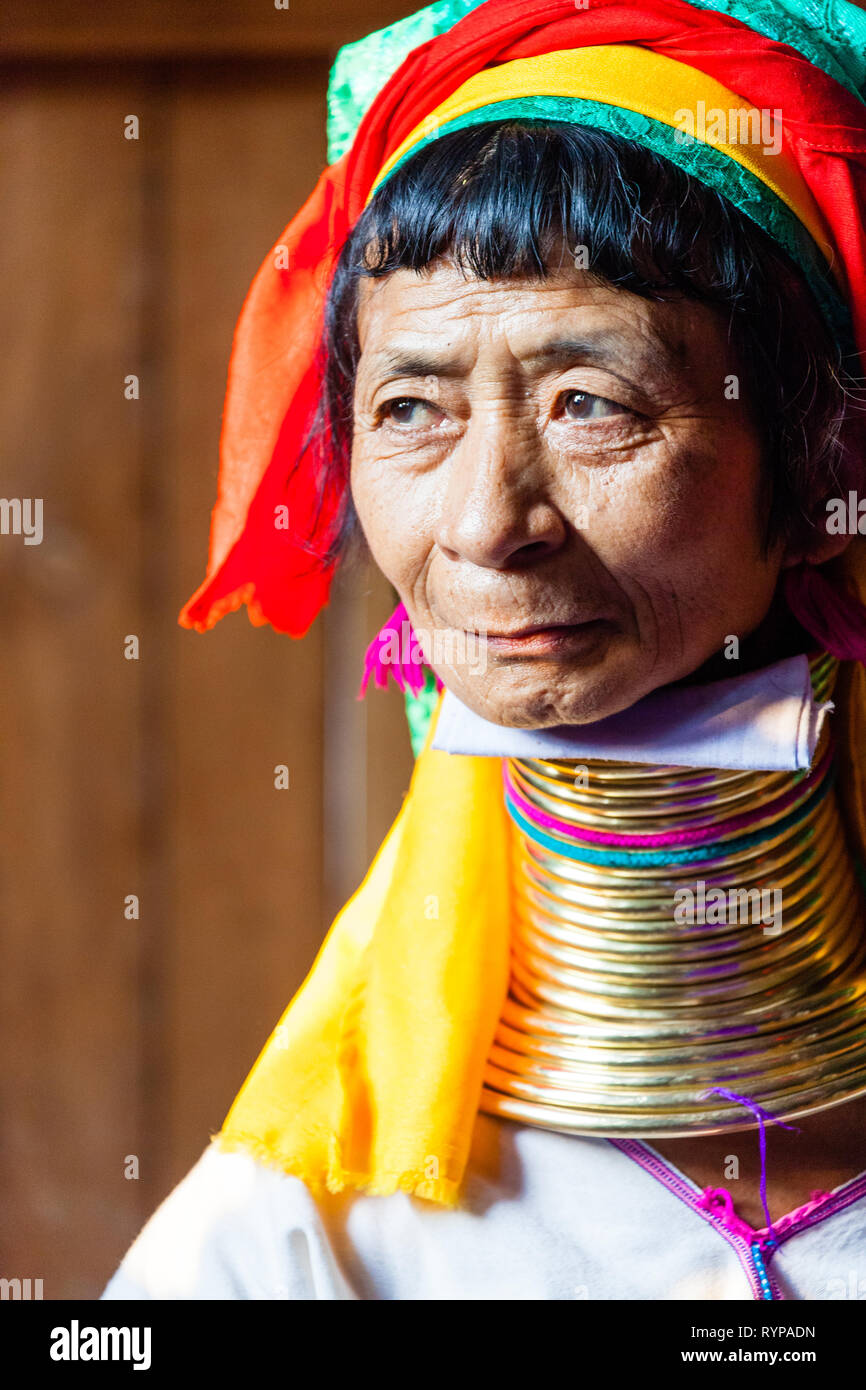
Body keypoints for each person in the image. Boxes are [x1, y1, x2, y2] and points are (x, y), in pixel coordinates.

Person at [102, 0, 866, 1300]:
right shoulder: (306, 1227)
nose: (480, 523)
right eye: (411, 409)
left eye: (590, 405)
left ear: (819, 471)